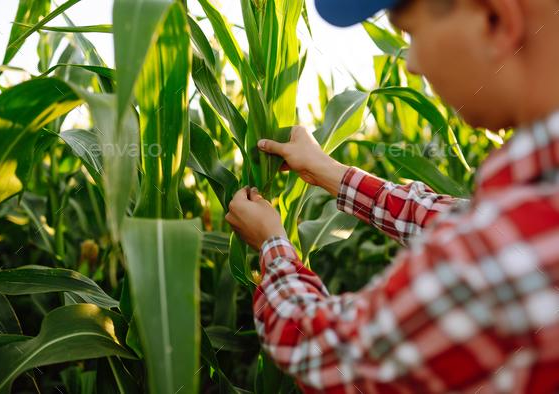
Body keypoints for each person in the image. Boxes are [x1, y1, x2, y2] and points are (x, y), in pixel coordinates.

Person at [224, 0, 559, 392]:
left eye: (411, 34)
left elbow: (331, 354)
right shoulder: (531, 210)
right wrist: (331, 172)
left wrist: (272, 245)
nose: (412, 63)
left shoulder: (501, 253)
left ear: (494, 20)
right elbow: (455, 220)